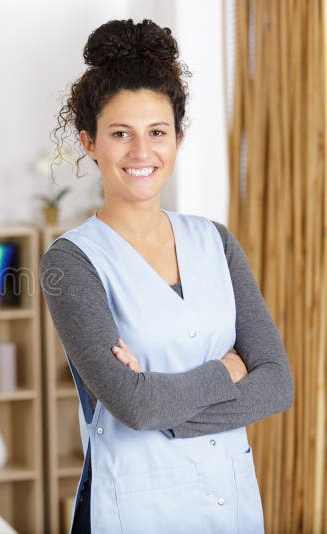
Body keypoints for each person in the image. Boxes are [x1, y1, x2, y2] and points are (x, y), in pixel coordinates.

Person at [39, 19, 294, 534]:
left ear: (178, 138)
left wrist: (162, 407)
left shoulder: (215, 241)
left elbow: (277, 384)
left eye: (157, 132)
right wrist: (229, 369)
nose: (141, 152)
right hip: (131, 508)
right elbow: (134, 405)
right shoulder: (71, 262)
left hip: (231, 503)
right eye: (120, 134)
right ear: (89, 142)